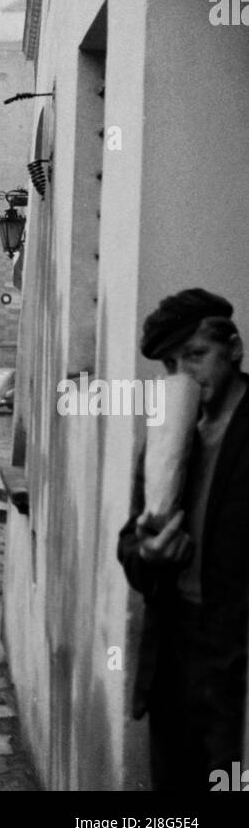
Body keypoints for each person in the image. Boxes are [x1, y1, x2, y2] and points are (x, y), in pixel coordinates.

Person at [117, 289, 249, 792]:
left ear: (233, 347)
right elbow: (130, 539)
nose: (186, 376)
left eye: (196, 356)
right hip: (173, 652)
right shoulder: (168, 434)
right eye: (173, 364)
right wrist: (147, 554)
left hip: (235, 658)